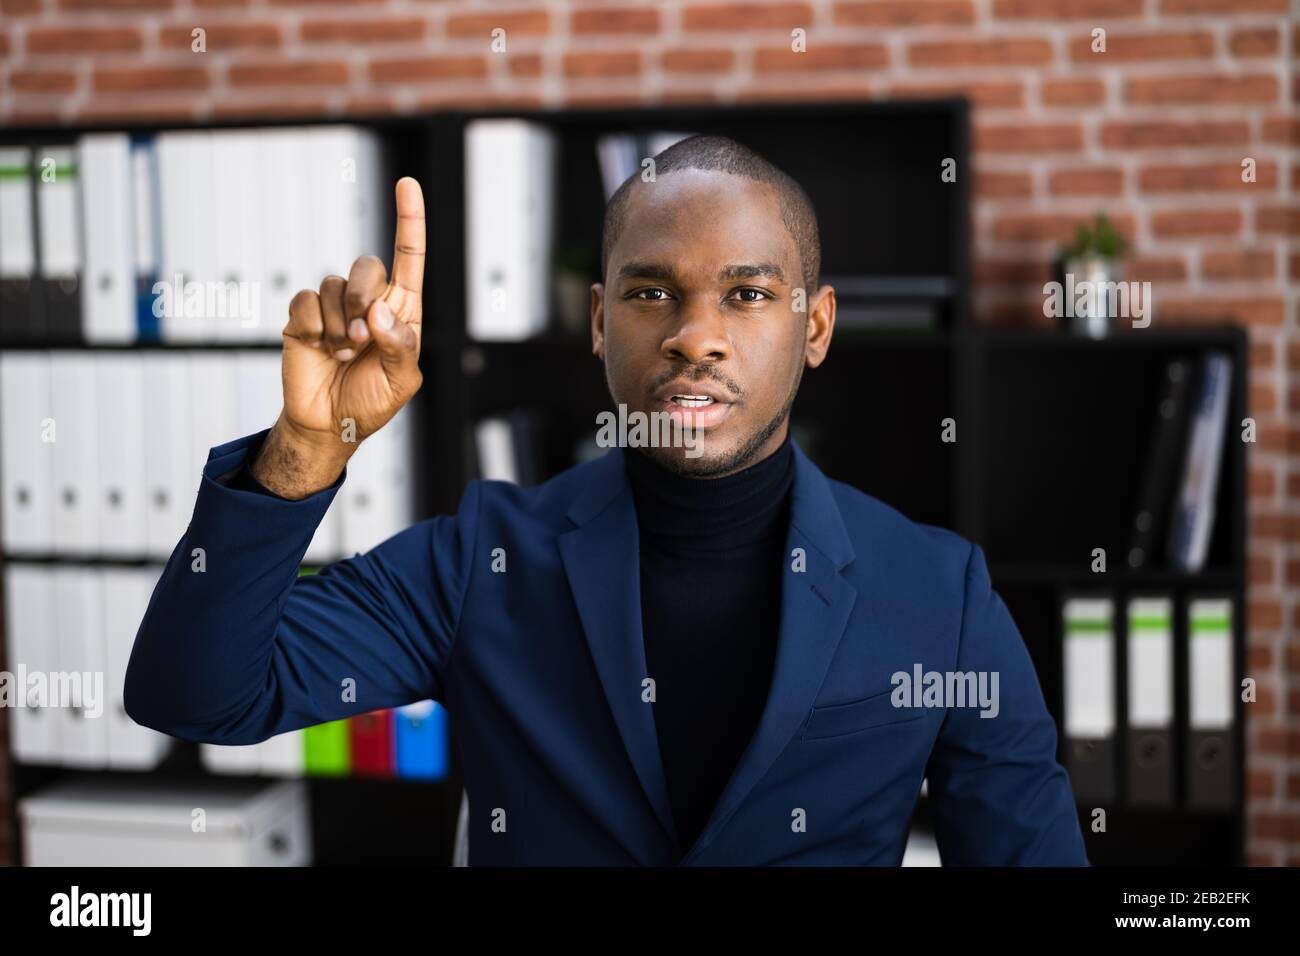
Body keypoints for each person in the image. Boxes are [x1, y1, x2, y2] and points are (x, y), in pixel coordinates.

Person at [125, 135, 1089, 866]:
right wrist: (304, 448)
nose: (695, 337)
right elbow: (196, 694)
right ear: (599, 322)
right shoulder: (480, 561)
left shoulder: (937, 591)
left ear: (816, 325)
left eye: (748, 296)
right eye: (651, 294)